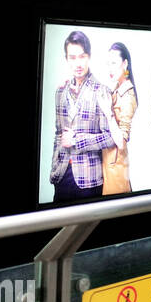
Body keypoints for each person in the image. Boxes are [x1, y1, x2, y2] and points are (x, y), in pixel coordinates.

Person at [49, 30, 117, 202]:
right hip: (62, 175)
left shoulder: (101, 91)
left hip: (89, 179)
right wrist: (54, 169)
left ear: (89, 57)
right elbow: (58, 134)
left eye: (82, 56)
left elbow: (110, 138)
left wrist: (77, 141)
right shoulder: (60, 92)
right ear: (66, 59)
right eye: (72, 57)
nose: (78, 63)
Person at [99, 42, 136, 195]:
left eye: (114, 63)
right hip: (109, 164)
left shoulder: (128, 95)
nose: (110, 68)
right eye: (108, 63)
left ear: (125, 63)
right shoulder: (116, 90)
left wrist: (108, 112)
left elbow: (121, 142)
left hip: (116, 169)